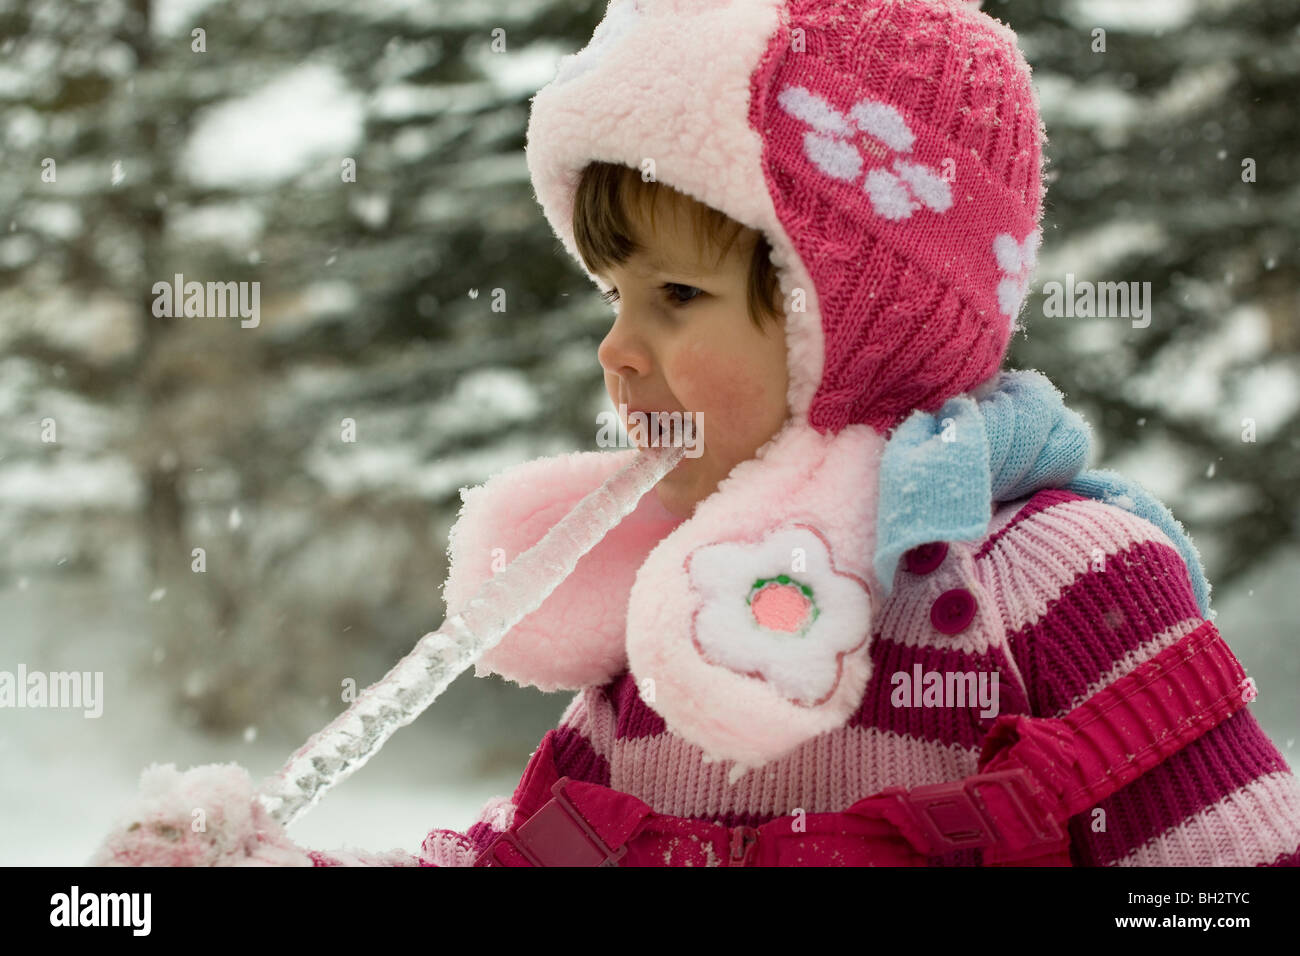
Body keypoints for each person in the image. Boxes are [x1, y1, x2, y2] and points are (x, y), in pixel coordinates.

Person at [98, 0, 1298, 867]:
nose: (618, 349)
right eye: (611, 296)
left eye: (676, 297)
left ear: (857, 317)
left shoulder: (1058, 578)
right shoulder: (684, 616)